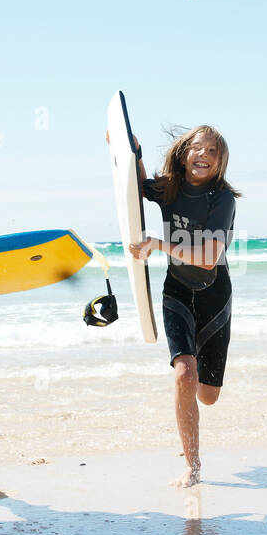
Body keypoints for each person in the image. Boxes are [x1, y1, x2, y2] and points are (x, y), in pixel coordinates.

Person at [111, 125, 240, 488]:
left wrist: (159, 245)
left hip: (214, 295)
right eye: (197, 149)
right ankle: (193, 466)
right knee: (184, 374)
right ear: (183, 154)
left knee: (208, 396)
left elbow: (209, 257)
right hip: (177, 291)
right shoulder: (169, 188)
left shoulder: (222, 199)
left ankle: (196, 398)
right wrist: (128, 149)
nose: (204, 155)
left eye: (213, 151)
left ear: (220, 161)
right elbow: (133, 188)